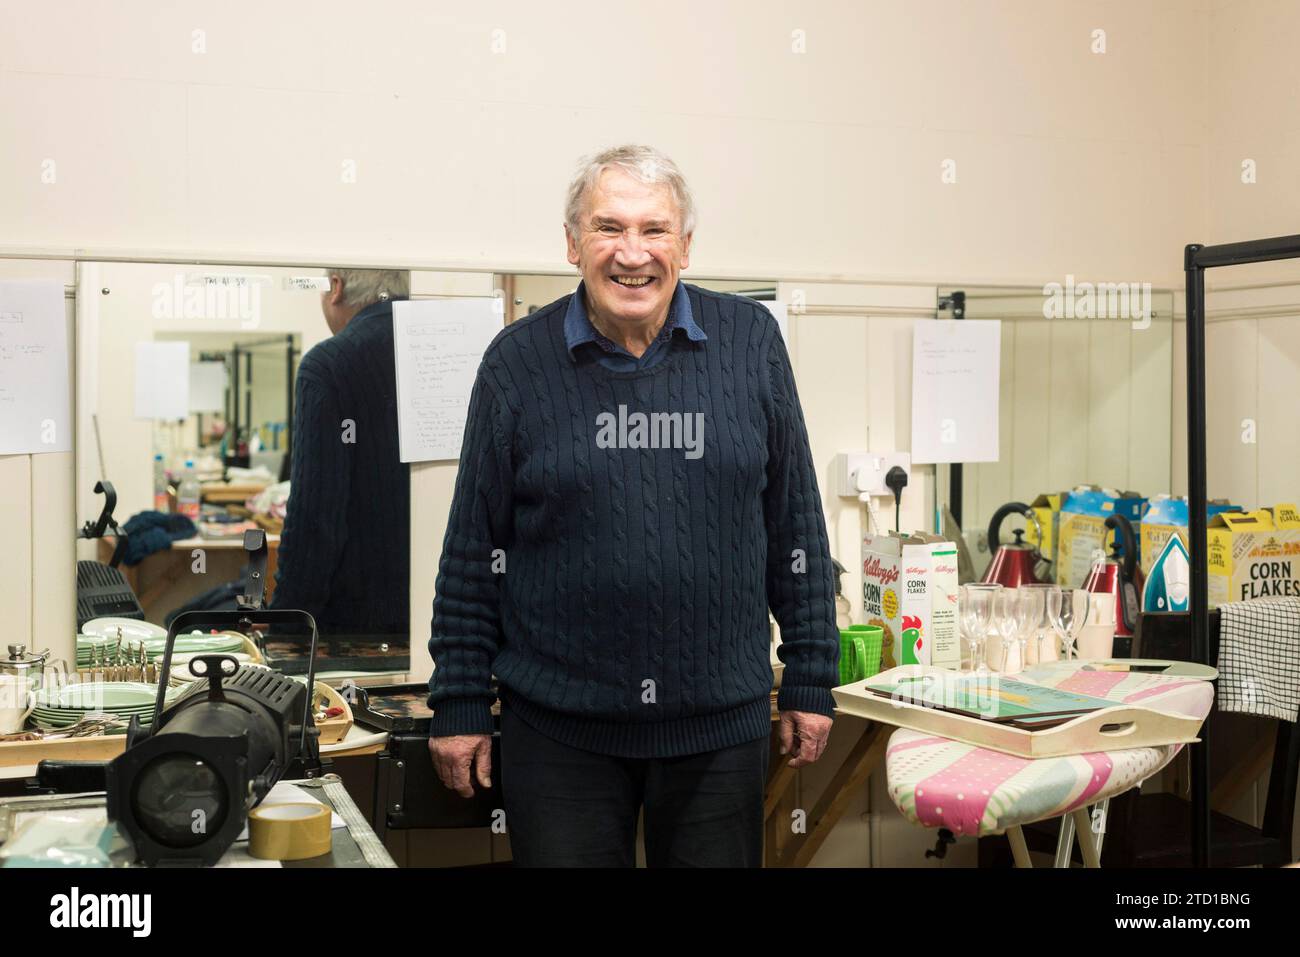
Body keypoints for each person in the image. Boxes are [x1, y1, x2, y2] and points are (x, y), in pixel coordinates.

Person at [426, 145, 838, 867]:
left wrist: (810, 673)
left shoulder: (751, 343)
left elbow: (794, 521)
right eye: (608, 227)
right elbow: (471, 550)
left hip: (717, 730)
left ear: (685, 244)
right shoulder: (516, 363)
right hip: (559, 737)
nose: (632, 253)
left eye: (654, 229)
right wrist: (458, 703)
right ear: (571, 243)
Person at [271, 268, 411, 638]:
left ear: (335, 288)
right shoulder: (451, 348)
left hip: (355, 623)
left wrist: (285, 625)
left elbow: (316, 517)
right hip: (450, 616)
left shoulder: (329, 365)